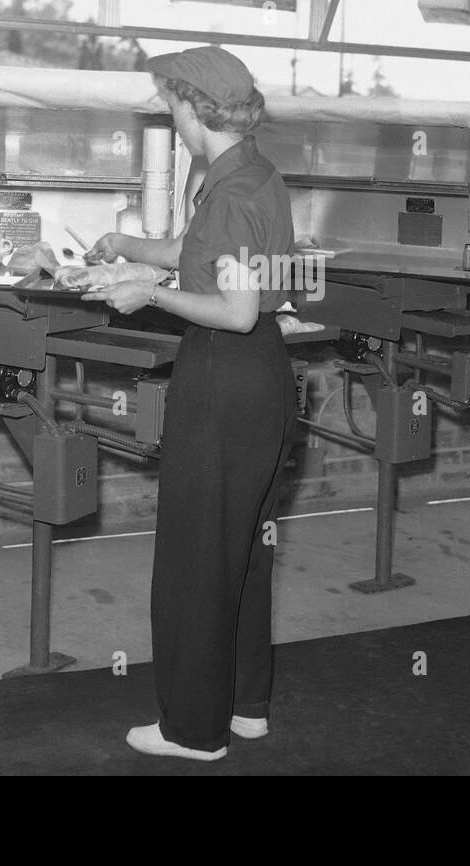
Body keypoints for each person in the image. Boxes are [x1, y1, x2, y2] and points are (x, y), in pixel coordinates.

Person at [81, 46, 298, 761]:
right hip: (261, 375)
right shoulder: (252, 175)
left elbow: (233, 310)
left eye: (169, 103)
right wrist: (130, 248)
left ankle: (193, 732)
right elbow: (195, 251)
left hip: (223, 374)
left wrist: (147, 294)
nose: (168, 117)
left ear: (192, 108)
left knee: (196, 558)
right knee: (242, 552)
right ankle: (244, 706)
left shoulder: (229, 192)